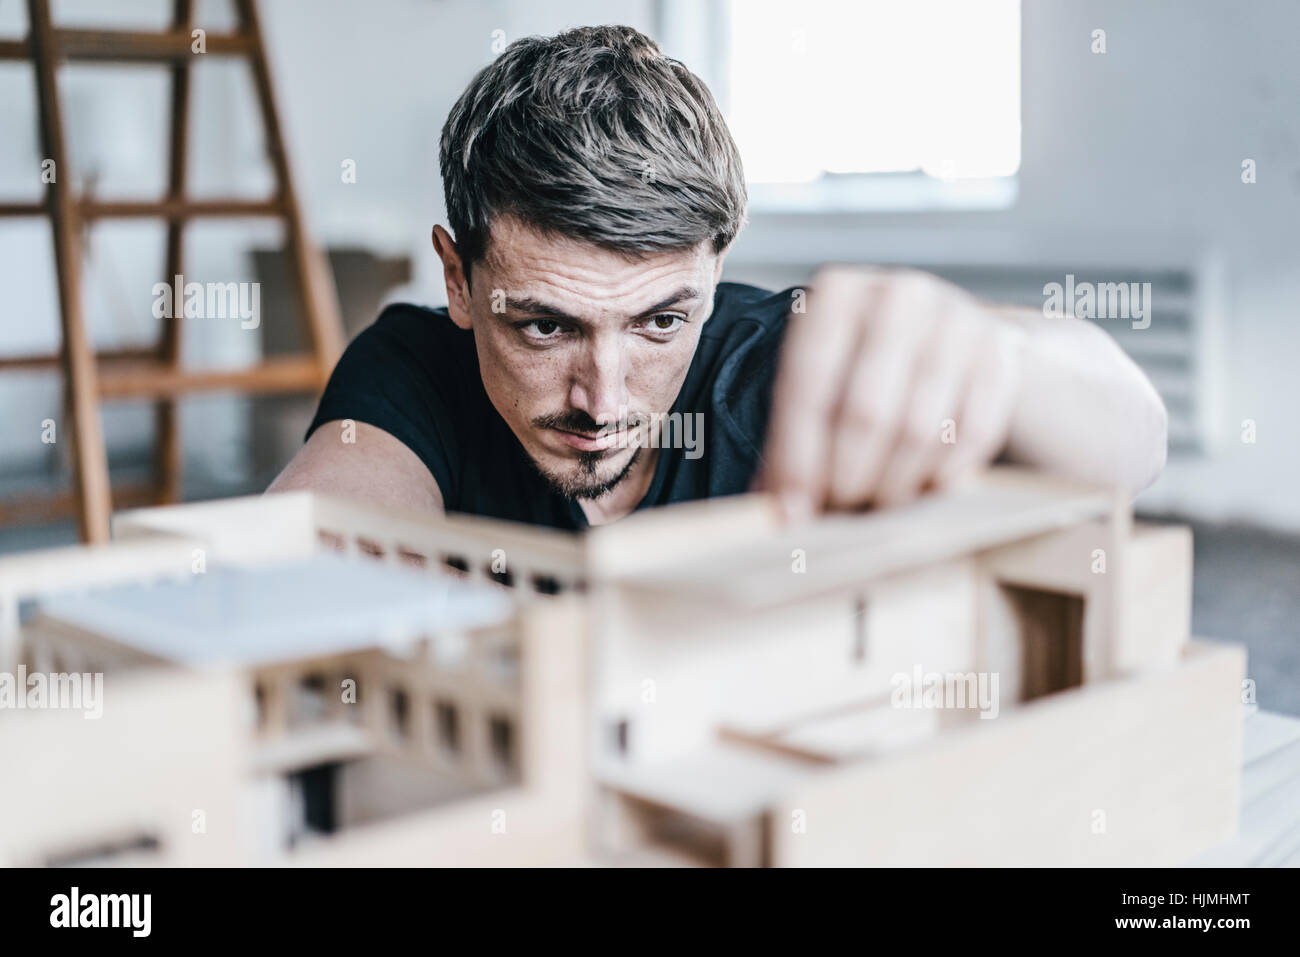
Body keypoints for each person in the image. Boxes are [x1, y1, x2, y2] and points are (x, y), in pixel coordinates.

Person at [270, 25, 1166, 529]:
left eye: (661, 321)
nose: (602, 398)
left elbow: (1136, 441)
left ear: (714, 271)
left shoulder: (784, 363)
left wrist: (999, 357)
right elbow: (318, 535)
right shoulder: (415, 364)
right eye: (546, 327)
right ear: (459, 280)